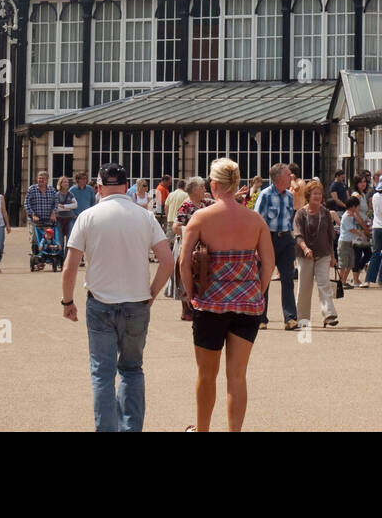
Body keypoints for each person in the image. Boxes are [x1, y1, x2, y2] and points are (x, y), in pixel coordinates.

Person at [61, 163, 172, 432]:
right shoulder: (144, 216)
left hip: (100, 303)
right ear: (126, 187)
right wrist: (151, 294)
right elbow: (168, 261)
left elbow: (70, 266)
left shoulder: (87, 217)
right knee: (132, 370)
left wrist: (67, 302)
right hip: (136, 302)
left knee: (102, 373)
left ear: (98, 188)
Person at [181, 158, 274, 431]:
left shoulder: (201, 217)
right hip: (248, 303)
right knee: (237, 377)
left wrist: (191, 295)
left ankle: (202, 431)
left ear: (213, 185)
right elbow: (268, 263)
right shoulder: (254, 219)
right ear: (235, 184)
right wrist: (258, 292)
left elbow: (184, 261)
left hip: (210, 303)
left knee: (207, 375)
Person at [253, 163, 299, 330]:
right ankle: (261, 318)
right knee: (264, 278)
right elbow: (258, 222)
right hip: (268, 240)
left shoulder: (289, 196)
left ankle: (290, 318)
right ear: (279, 177)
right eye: (288, 175)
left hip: (286, 239)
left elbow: (289, 219)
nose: (291, 177)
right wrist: (257, 246)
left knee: (288, 278)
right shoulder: (265, 195)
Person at [294, 179, 339, 327]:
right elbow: (298, 234)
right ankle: (302, 318)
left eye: (319, 193)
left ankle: (329, 314)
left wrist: (332, 256)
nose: (318, 196)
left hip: (323, 254)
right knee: (304, 288)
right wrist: (305, 248)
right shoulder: (301, 213)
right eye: (315, 194)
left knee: (324, 284)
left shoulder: (326, 213)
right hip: (305, 255)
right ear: (308, 195)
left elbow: (330, 236)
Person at [173, 177, 211, 321]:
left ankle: (197, 305)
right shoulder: (186, 206)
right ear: (194, 190)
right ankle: (186, 309)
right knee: (186, 273)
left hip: (202, 248)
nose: (204, 190)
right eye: (202, 187)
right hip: (188, 246)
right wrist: (192, 233)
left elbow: (220, 204)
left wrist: (234, 196)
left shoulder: (205, 203)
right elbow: (175, 227)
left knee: (201, 275)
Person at [24, 171, 59, 261]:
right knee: (35, 239)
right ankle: (37, 258)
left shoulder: (52, 190)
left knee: (48, 238)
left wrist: (53, 213)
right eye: (39, 178)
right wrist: (33, 215)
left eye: (43, 178)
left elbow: (56, 203)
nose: (41, 180)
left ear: (47, 180)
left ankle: (49, 257)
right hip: (35, 220)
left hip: (48, 220)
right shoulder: (32, 189)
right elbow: (26, 203)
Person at [338, 194, 369, 288]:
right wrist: (361, 234)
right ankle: (340, 282)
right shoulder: (346, 216)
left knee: (350, 263)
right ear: (353, 206)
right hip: (344, 242)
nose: (358, 208)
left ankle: (344, 281)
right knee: (343, 264)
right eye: (357, 206)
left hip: (350, 242)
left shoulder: (351, 215)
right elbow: (351, 229)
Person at [54, 176, 78, 260]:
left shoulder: (70, 194)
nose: (66, 184)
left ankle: (66, 258)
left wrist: (64, 206)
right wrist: (69, 207)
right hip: (59, 219)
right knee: (60, 240)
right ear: (60, 184)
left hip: (69, 218)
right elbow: (57, 208)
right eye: (64, 182)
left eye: (67, 182)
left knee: (69, 239)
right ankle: (60, 258)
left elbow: (75, 205)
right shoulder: (56, 194)